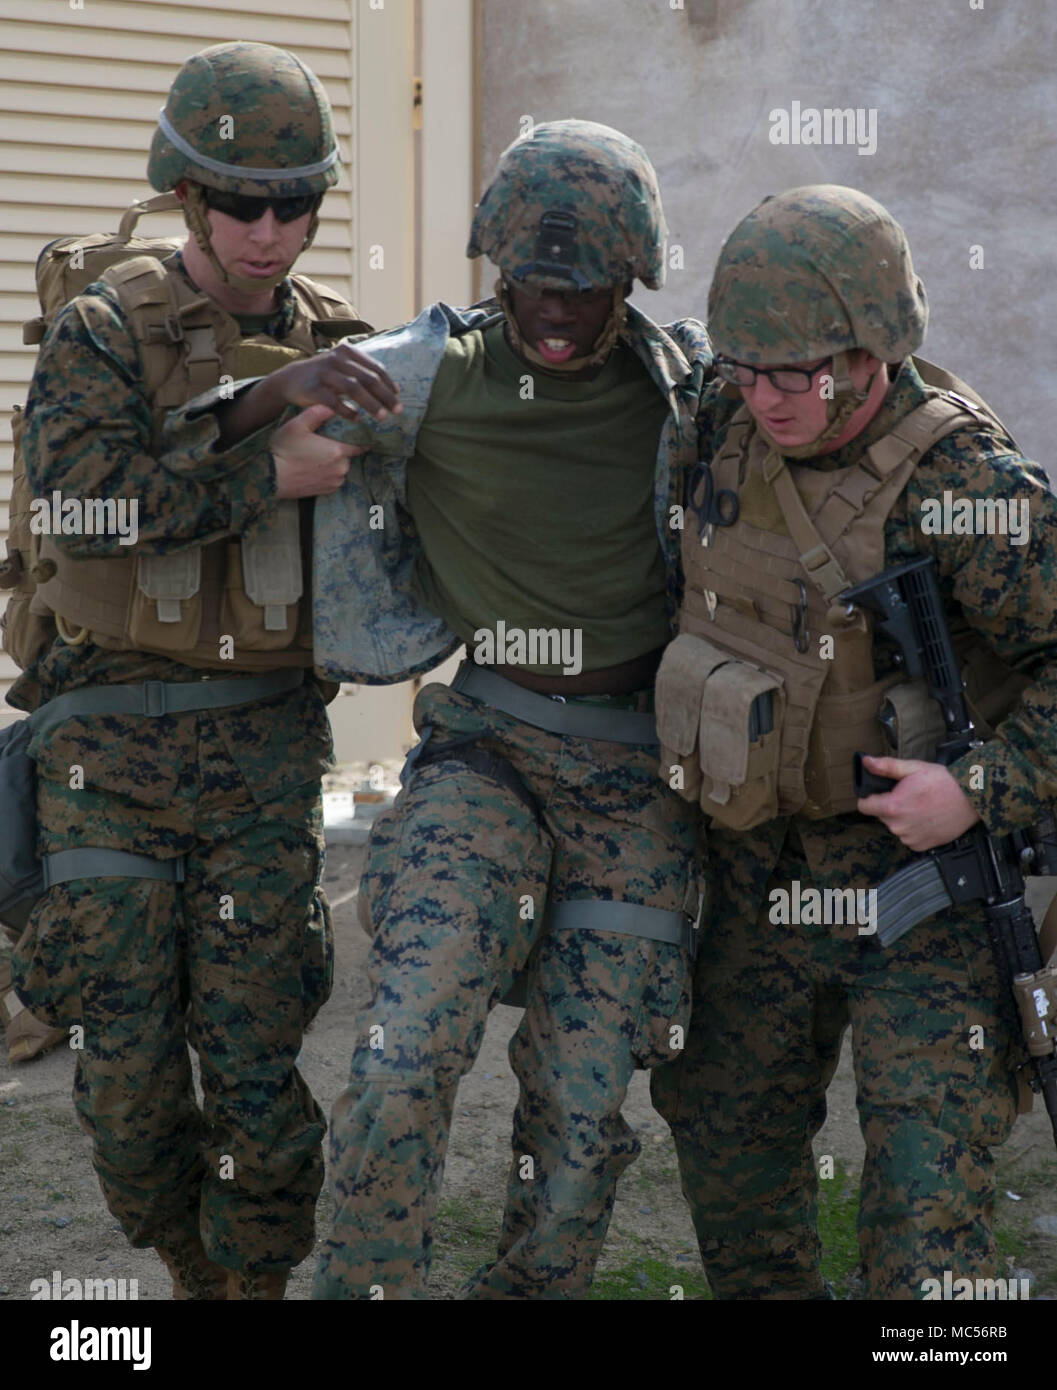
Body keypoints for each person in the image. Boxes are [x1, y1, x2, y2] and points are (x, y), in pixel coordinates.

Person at [178, 118, 711, 1299]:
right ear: (494, 271)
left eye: (591, 286)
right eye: (535, 284)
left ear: (631, 278)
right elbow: (193, 445)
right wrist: (279, 390)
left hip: (638, 786)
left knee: (579, 1117)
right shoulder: (427, 374)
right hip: (489, 756)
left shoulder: (684, 390)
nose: (561, 311)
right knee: (403, 1054)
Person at [5, 41, 395, 1300]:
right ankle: (186, 1266)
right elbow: (78, 508)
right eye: (244, 202)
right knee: (122, 1084)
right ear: (186, 194)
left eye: (298, 204)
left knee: (260, 1079)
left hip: (263, 751)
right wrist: (261, 473)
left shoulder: (342, 342)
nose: (273, 230)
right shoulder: (104, 329)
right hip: (106, 751)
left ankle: (248, 1288)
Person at [650, 184, 1057, 1299]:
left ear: (877, 343)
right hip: (757, 861)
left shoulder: (964, 483)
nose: (773, 396)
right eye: (750, 366)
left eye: (804, 371)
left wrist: (975, 788)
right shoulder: (712, 415)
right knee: (728, 1152)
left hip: (917, 876)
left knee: (926, 1211)